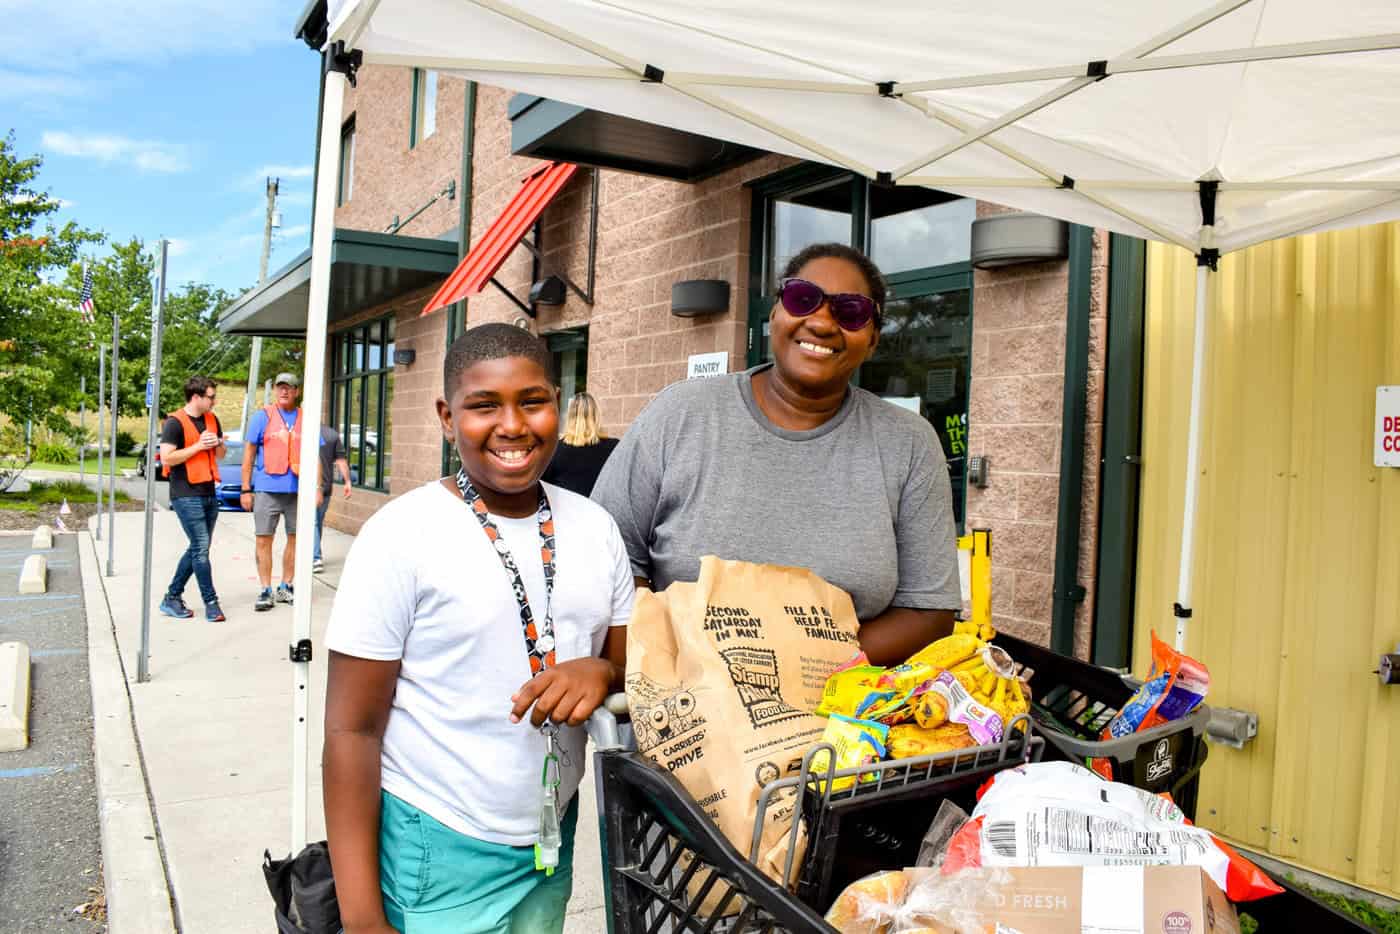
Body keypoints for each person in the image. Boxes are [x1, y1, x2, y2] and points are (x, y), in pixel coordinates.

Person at [323, 323, 633, 934]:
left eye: (532, 401)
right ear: (446, 416)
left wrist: (599, 669)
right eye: (484, 406)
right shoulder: (401, 533)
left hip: (550, 832)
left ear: (558, 403)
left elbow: (634, 669)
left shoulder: (597, 527)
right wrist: (362, 918)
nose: (513, 426)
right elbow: (350, 730)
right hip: (436, 843)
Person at [593, 243, 960, 666]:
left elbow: (929, 610)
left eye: (851, 311)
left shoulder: (908, 443)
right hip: (684, 700)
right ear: (774, 315)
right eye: (803, 299)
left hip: (843, 717)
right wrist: (667, 657)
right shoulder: (681, 414)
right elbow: (610, 559)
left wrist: (804, 670)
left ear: (873, 338)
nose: (822, 322)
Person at [157, 376, 227, 622]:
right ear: (196, 397)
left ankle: (172, 597)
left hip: (208, 491)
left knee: (198, 548)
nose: (214, 401)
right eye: (211, 396)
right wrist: (198, 446)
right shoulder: (175, 422)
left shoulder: (211, 420)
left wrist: (217, 442)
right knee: (200, 548)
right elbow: (167, 458)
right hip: (185, 494)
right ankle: (211, 602)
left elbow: (220, 453)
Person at [240, 372, 304, 612]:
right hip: (267, 488)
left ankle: (286, 586)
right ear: (275, 390)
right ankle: (265, 589)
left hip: (298, 490)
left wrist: (317, 487)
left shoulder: (305, 418)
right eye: (280, 388)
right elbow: (248, 455)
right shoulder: (262, 417)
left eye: (289, 388)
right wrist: (246, 489)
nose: (284, 392)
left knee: (296, 538)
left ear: (297, 391)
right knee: (263, 539)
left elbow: (316, 457)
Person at [540, 392, 619, 496]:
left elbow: (542, 489)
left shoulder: (554, 449)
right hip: (599, 510)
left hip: (565, 510)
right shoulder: (614, 448)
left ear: (569, 416)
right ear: (596, 416)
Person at [313, 424, 352, 573]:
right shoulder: (332, 434)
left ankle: (315, 557)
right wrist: (347, 481)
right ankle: (313, 554)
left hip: (312, 487)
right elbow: (341, 461)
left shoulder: (301, 430)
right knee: (316, 523)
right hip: (326, 486)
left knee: (313, 523)